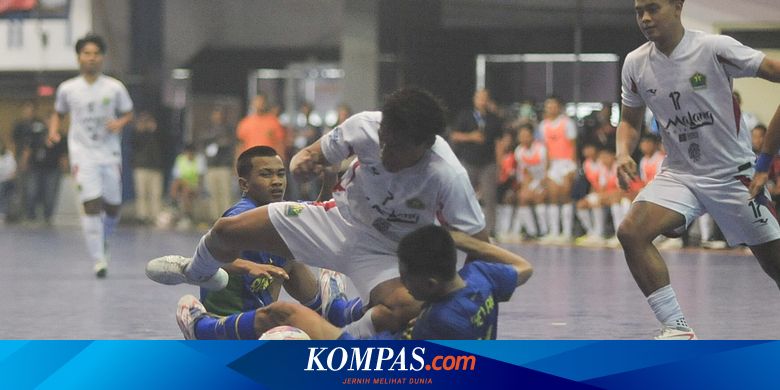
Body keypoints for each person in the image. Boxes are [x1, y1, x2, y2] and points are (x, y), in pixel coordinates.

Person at [146, 87, 489, 338]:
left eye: (397, 149)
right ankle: (194, 269)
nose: (385, 153)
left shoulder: (447, 175)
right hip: (335, 220)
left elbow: (481, 248)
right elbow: (309, 156)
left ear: (424, 145)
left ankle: (338, 336)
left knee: (406, 309)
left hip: (383, 250)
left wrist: (467, 303)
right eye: (383, 140)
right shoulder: (364, 125)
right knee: (227, 230)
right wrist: (302, 164)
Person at [615, 0, 780, 339]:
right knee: (631, 232)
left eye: (653, 8)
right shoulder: (635, 64)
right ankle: (676, 328)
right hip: (681, 174)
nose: (645, 18)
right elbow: (629, 122)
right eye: (638, 11)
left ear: (677, 6)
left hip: (734, 174)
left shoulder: (714, 48)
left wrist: (764, 162)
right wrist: (621, 153)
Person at [175, 225, 533, 340]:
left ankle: (201, 330)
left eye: (406, 277)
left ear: (431, 280)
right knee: (386, 309)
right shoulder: (481, 277)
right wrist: (460, 239)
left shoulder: (440, 322)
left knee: (284, 316)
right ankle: (336, 309)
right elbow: (523, 266)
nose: (401, 282)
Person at [48, 33, 134, 277]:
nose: (91, 58)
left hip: (109, 152)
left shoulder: (114, 87)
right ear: (78, 58)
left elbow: (128, 113)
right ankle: (99, 259)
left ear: (102, 58)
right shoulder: (68, 89)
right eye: (86, 53)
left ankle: (104, 240)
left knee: (113, 207)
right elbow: (58, 113)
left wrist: (119, 123)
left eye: (96, 54)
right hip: (82, 152)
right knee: (91, 204)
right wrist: (54, 131)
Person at [450, 89, 502, 236]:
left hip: (488, 163)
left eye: (485, 98)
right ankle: (462, 227)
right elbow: (454, 135)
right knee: (465, 195)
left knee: (490, 197)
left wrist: (500, 164)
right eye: (479, 98)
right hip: (469, 161)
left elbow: (499, 142)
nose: (482, 101)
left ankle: (490, 230)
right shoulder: (465, 115)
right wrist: (471, 137)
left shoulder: (494, 119)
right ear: (474, 99)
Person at [537, 96, 578, 244]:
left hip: (566, 163)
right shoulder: (543, 125)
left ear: (559, 107)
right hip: (553, 164)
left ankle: (566, 232)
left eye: (554, 105)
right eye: (548, 106)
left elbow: (573, 146)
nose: (551, 108)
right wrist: (546, 170)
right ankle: (554, 232)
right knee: (553, 196)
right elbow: (545, 149)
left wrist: (573, 167)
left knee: (565, 195)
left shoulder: (567, 123)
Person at [199, 106, 236, 221]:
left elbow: (230, 144)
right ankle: (215, 218)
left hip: (224, 166)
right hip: (211, 166)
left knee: (225, 193)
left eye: (220, 115)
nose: (217, 117)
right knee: (213, 193)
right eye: (215, 115)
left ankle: (227, 217)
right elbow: (203, 142)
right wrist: (216, 139)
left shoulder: (229, 129)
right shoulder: (208, 129)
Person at [131, 111, 164, 225]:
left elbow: (165, 143)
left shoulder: (158, 134)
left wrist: (154, 130)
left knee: (155, 194)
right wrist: (139, 129)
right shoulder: (137, 134)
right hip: (141, 167)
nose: (146, 124)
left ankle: (155, 216)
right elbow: (133, 144)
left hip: (155, 168)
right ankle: (142, 216)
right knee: (142, 193)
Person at [235, 94, 287, 163]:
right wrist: (237, 164)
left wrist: (281, 162)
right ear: (252, 104)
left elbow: (280, 145)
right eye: (257, 102)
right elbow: (240, 146)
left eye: (262, 102)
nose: (259, 104)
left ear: (266, 104)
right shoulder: (244, 123)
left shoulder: (274, 122)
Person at [170, 144, 206, 229]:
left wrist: (198, 188)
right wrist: (185, 182)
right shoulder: (180, 159)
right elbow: (177, 175)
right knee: (175, 184)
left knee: (186, 190)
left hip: (195, 185)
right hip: (182, 184)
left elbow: (200, 177)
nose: (189, 155)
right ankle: (174, 204)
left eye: (191, 153)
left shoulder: (199, 160)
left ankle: (188, 215)